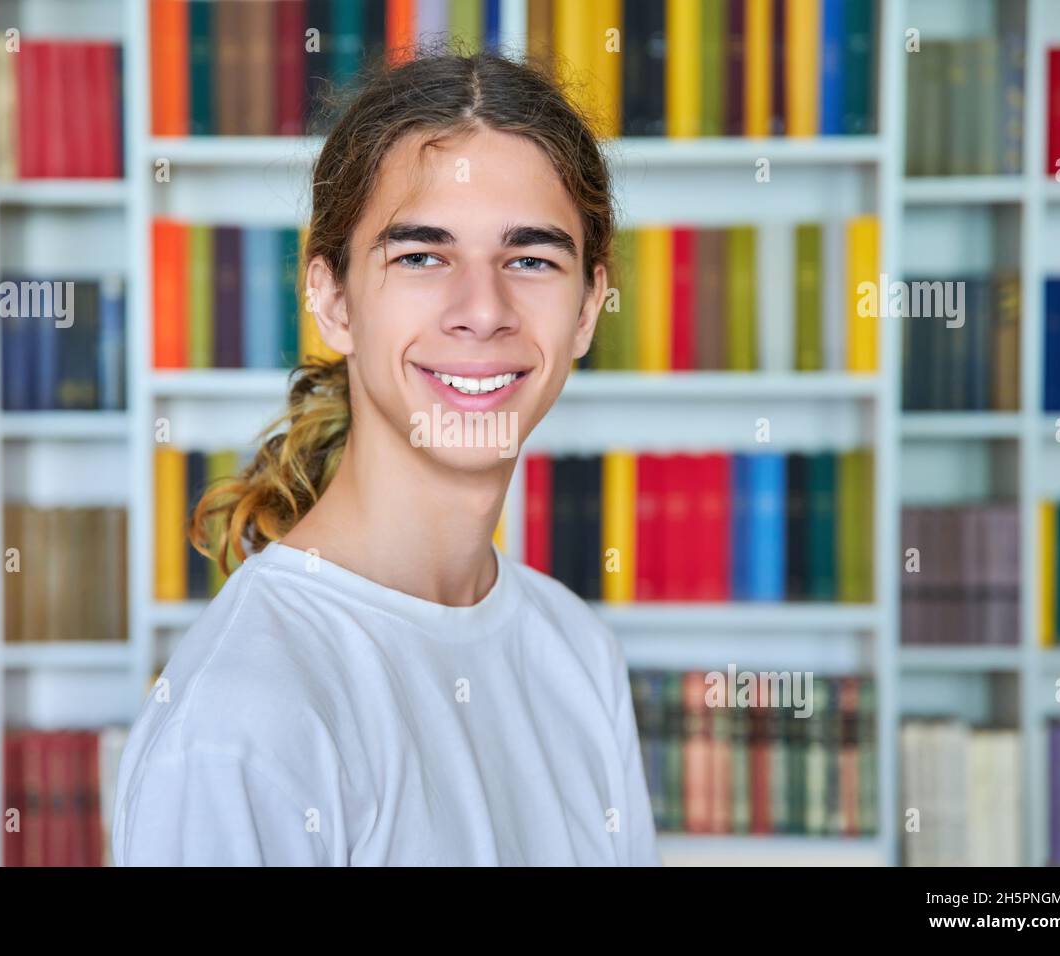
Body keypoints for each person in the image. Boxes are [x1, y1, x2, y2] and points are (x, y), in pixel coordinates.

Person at [112, 45, 660, 866]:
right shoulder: (239, 718)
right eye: (421, 256)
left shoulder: (579, 653)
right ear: (332, 301)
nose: (483, 311)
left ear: (586, 310)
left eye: (531, 259)